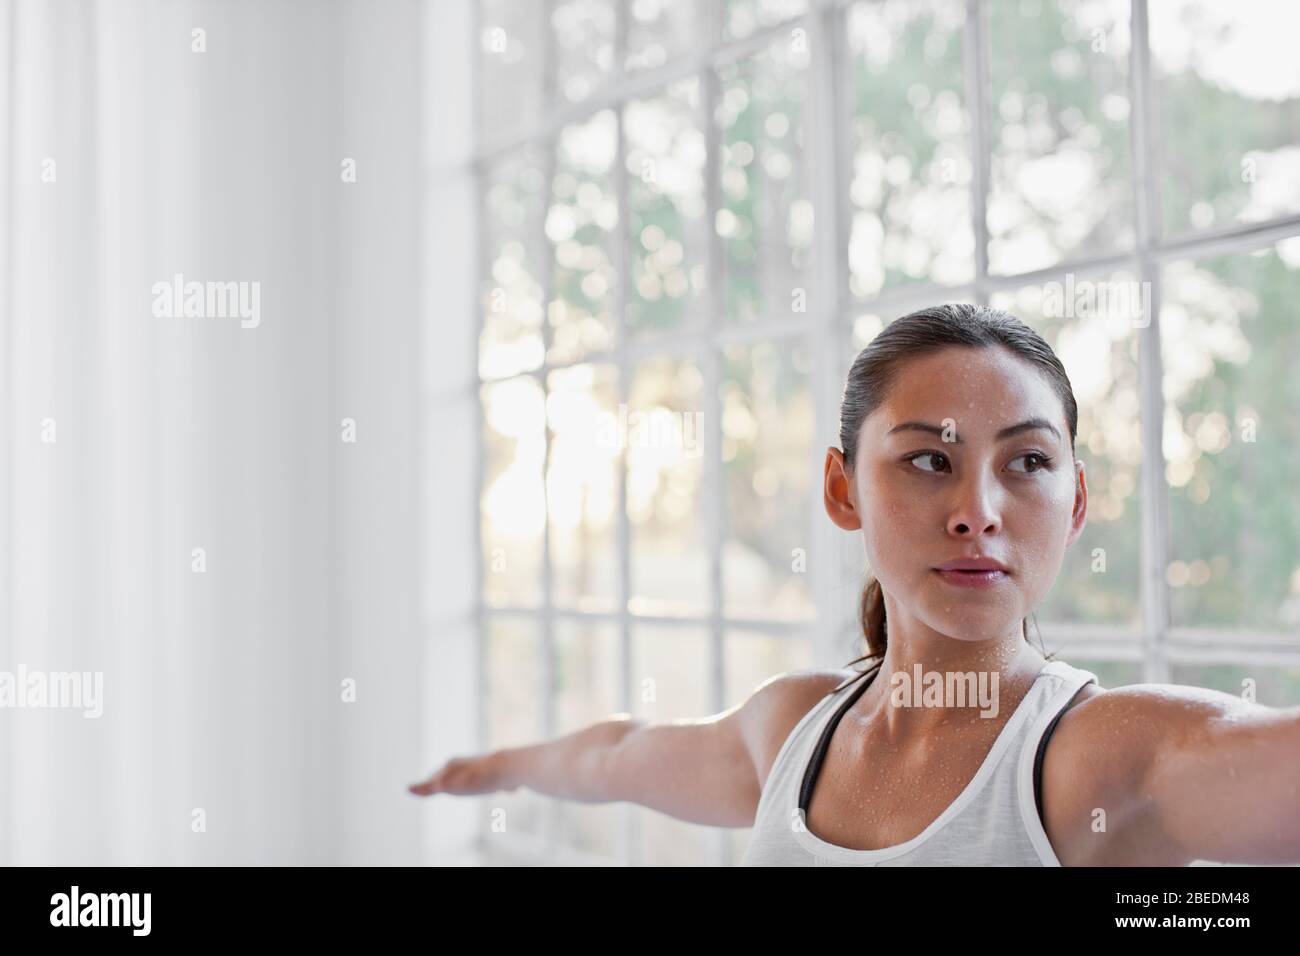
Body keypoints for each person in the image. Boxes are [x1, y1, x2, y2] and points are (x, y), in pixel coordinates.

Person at [408, 303, 1300, 866]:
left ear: (1073, 507)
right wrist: (493, 770)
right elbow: (613, 756)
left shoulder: (1104, 758)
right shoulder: (790, 730)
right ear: (843, 489)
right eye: (927, 459)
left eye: (1028, 461)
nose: (979, 511)